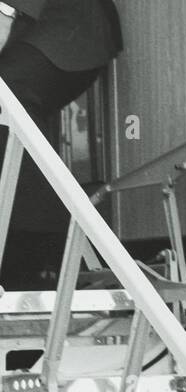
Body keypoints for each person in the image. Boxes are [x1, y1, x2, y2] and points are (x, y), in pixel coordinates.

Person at [0, 0, 123, 284]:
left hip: (64, 20)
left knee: (9, 95)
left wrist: (5, 10)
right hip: (30, 25)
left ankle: (42, 248)